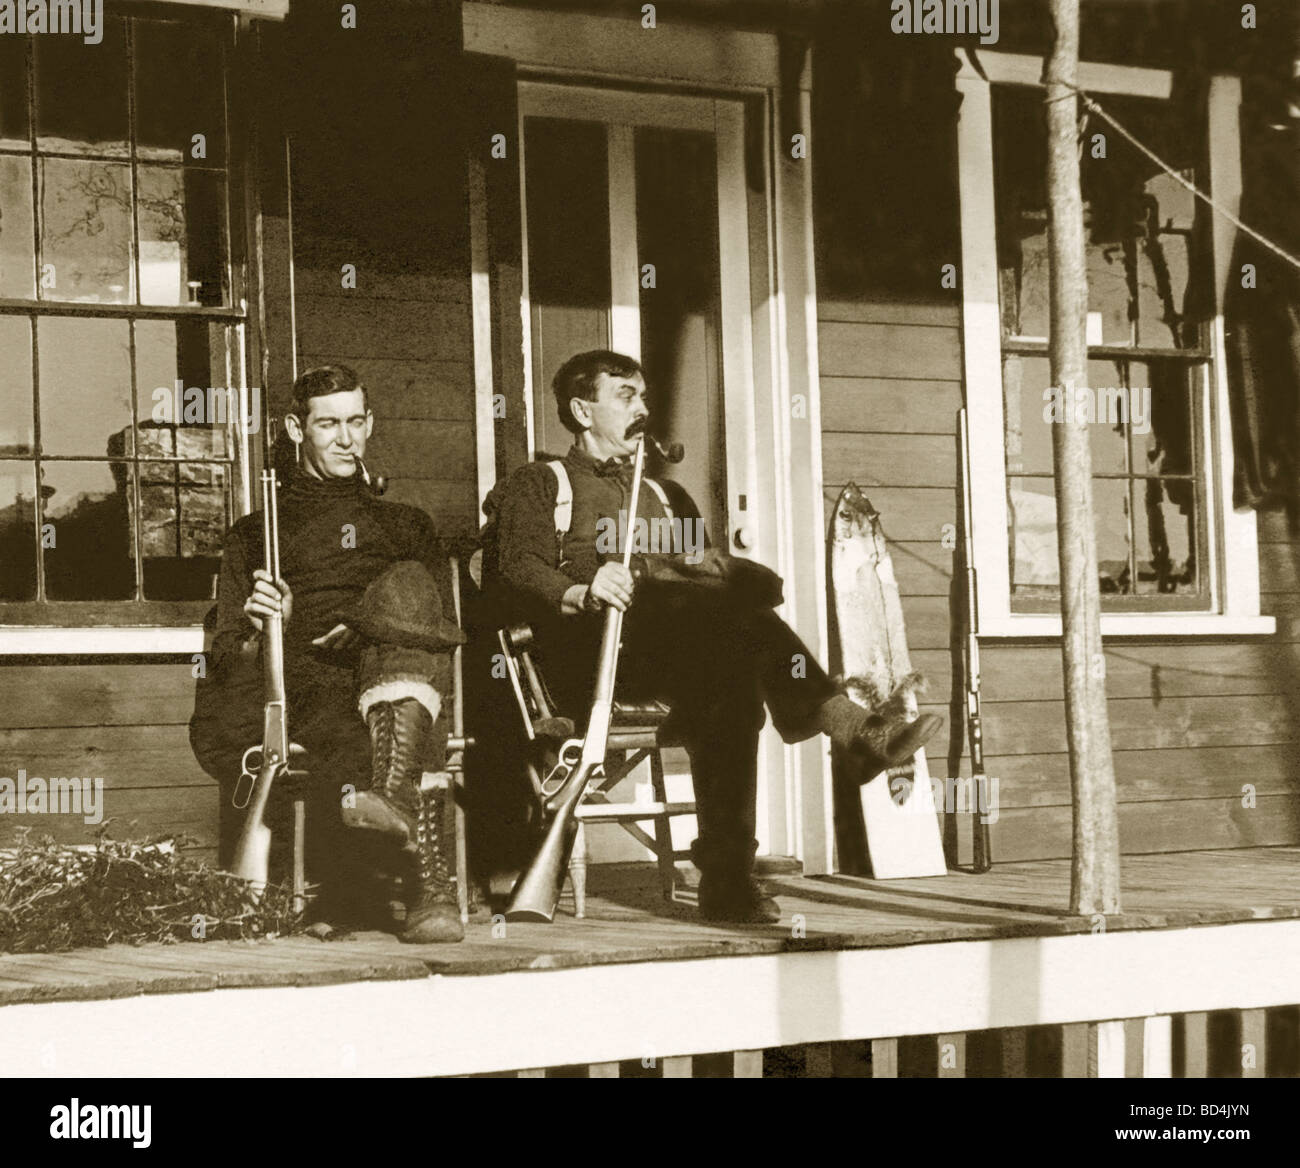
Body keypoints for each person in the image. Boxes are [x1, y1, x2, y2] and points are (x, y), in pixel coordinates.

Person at [488, 350, 941, 924]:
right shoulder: (540, 483)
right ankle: (852, 730)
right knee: (733, 634)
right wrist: (582, 587)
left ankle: (728, 883)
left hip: (669, 658)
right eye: (625, 396)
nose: (642, 408)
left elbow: (717, 587)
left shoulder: (665, 497)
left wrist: (701, 566)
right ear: (582, 411)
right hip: (584, 660)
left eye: (644, 396)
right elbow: (516, 566)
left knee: (733, 688)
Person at [190, 364, 465, 943]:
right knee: (407, 706)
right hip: (312, 684)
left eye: (356, 422)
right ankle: (427, 888)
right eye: (328, 424)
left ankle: (391, 804)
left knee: (409, 586)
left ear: (370, 424)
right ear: (297, 429)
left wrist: (368, 625)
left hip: (402, 672)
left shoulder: (406, 524)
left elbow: (443, 627)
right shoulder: (257, 532)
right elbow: (226, 652)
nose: (346, 438)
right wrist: (272, 625)